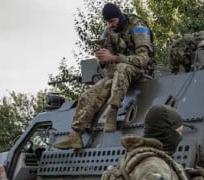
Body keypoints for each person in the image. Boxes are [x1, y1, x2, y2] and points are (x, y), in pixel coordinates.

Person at [54, 3, 153, 150]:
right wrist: (102, 60)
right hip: (118, 75)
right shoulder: (108, 32)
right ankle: (75, 135)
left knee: (121, 68)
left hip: (139, 71)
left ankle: (112, 111)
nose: (110, 25)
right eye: (107, 22)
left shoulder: (137, 26)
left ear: (119, 16)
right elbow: (106, 62)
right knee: (89, 94)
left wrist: (113, 58)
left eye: (112, 21)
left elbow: (143, 60)